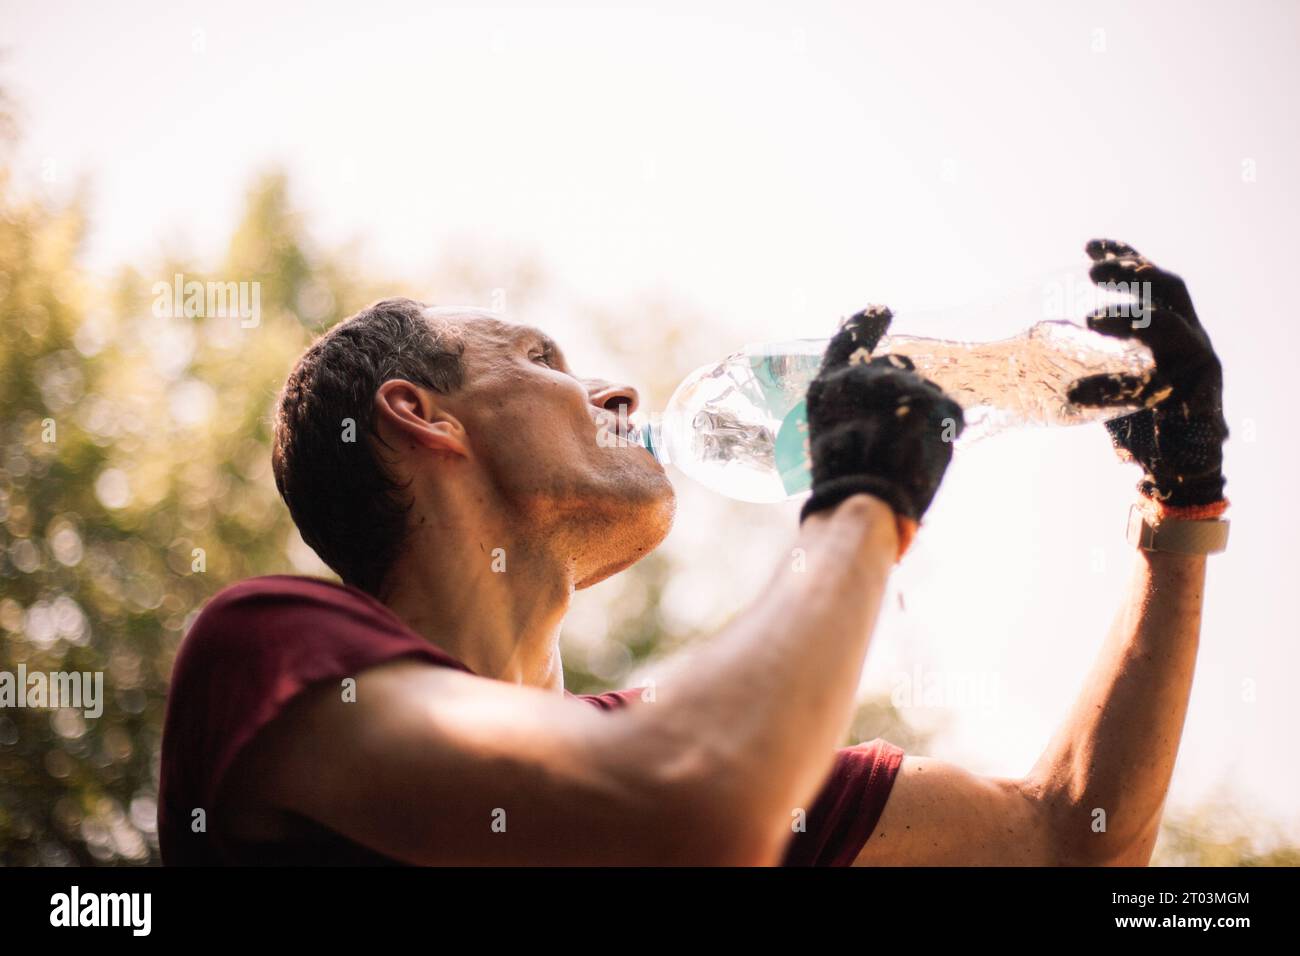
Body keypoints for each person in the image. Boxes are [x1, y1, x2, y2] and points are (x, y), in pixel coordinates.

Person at [158, 238, 1229, 865]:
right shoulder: (268, 648)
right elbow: (686, 798)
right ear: (419, 413)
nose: (617, 391)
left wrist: (1178, 513)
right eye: (542, 360)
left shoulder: (710, 744)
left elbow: (1070, 835)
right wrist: (861, 502)